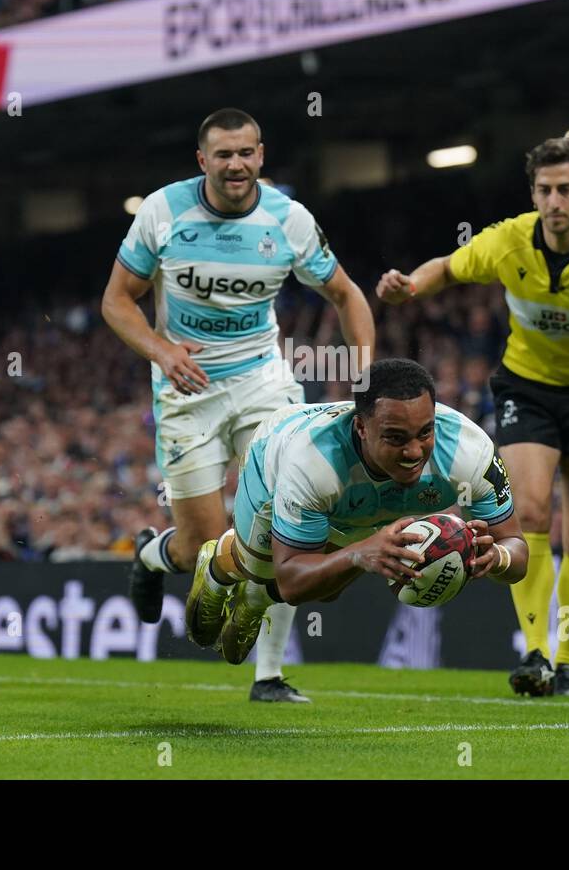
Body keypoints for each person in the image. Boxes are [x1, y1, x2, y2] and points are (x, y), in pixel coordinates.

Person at [376, 137, 569, 696]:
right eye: (543, 190)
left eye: (564, 190)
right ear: (533, 193)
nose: (553, 201)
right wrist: (409, 286)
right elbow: (446, 267)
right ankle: (535, 652)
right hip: (527, 389)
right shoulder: (509, 240)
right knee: (529, 510)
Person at [103, 107, 374, 703]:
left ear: (261, 155)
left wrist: (365, 374)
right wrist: (162, 350)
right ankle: (153, 556)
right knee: (204, 545)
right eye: (223, 154)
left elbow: (346, 293)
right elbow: (118, 302)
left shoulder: (288, 220)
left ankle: (269, 675)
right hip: (186, 391)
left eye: (245, 152)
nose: (235, 164)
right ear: (202, 160)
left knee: (284, 519)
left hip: (263, 384)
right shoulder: (164, 212)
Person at [182, 359, 528, 672]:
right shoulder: (313, 462)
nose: (413, 451)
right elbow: (290, 581)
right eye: (395, 437)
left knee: (328, 589)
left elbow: (518, 550)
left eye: (425, 432)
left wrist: (496, 556)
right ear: (362, 428)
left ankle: (254, 601)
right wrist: (360, 552)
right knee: (259, 566)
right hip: (274, 457)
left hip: (361, 502)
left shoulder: (471, 453)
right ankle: (216, 568)